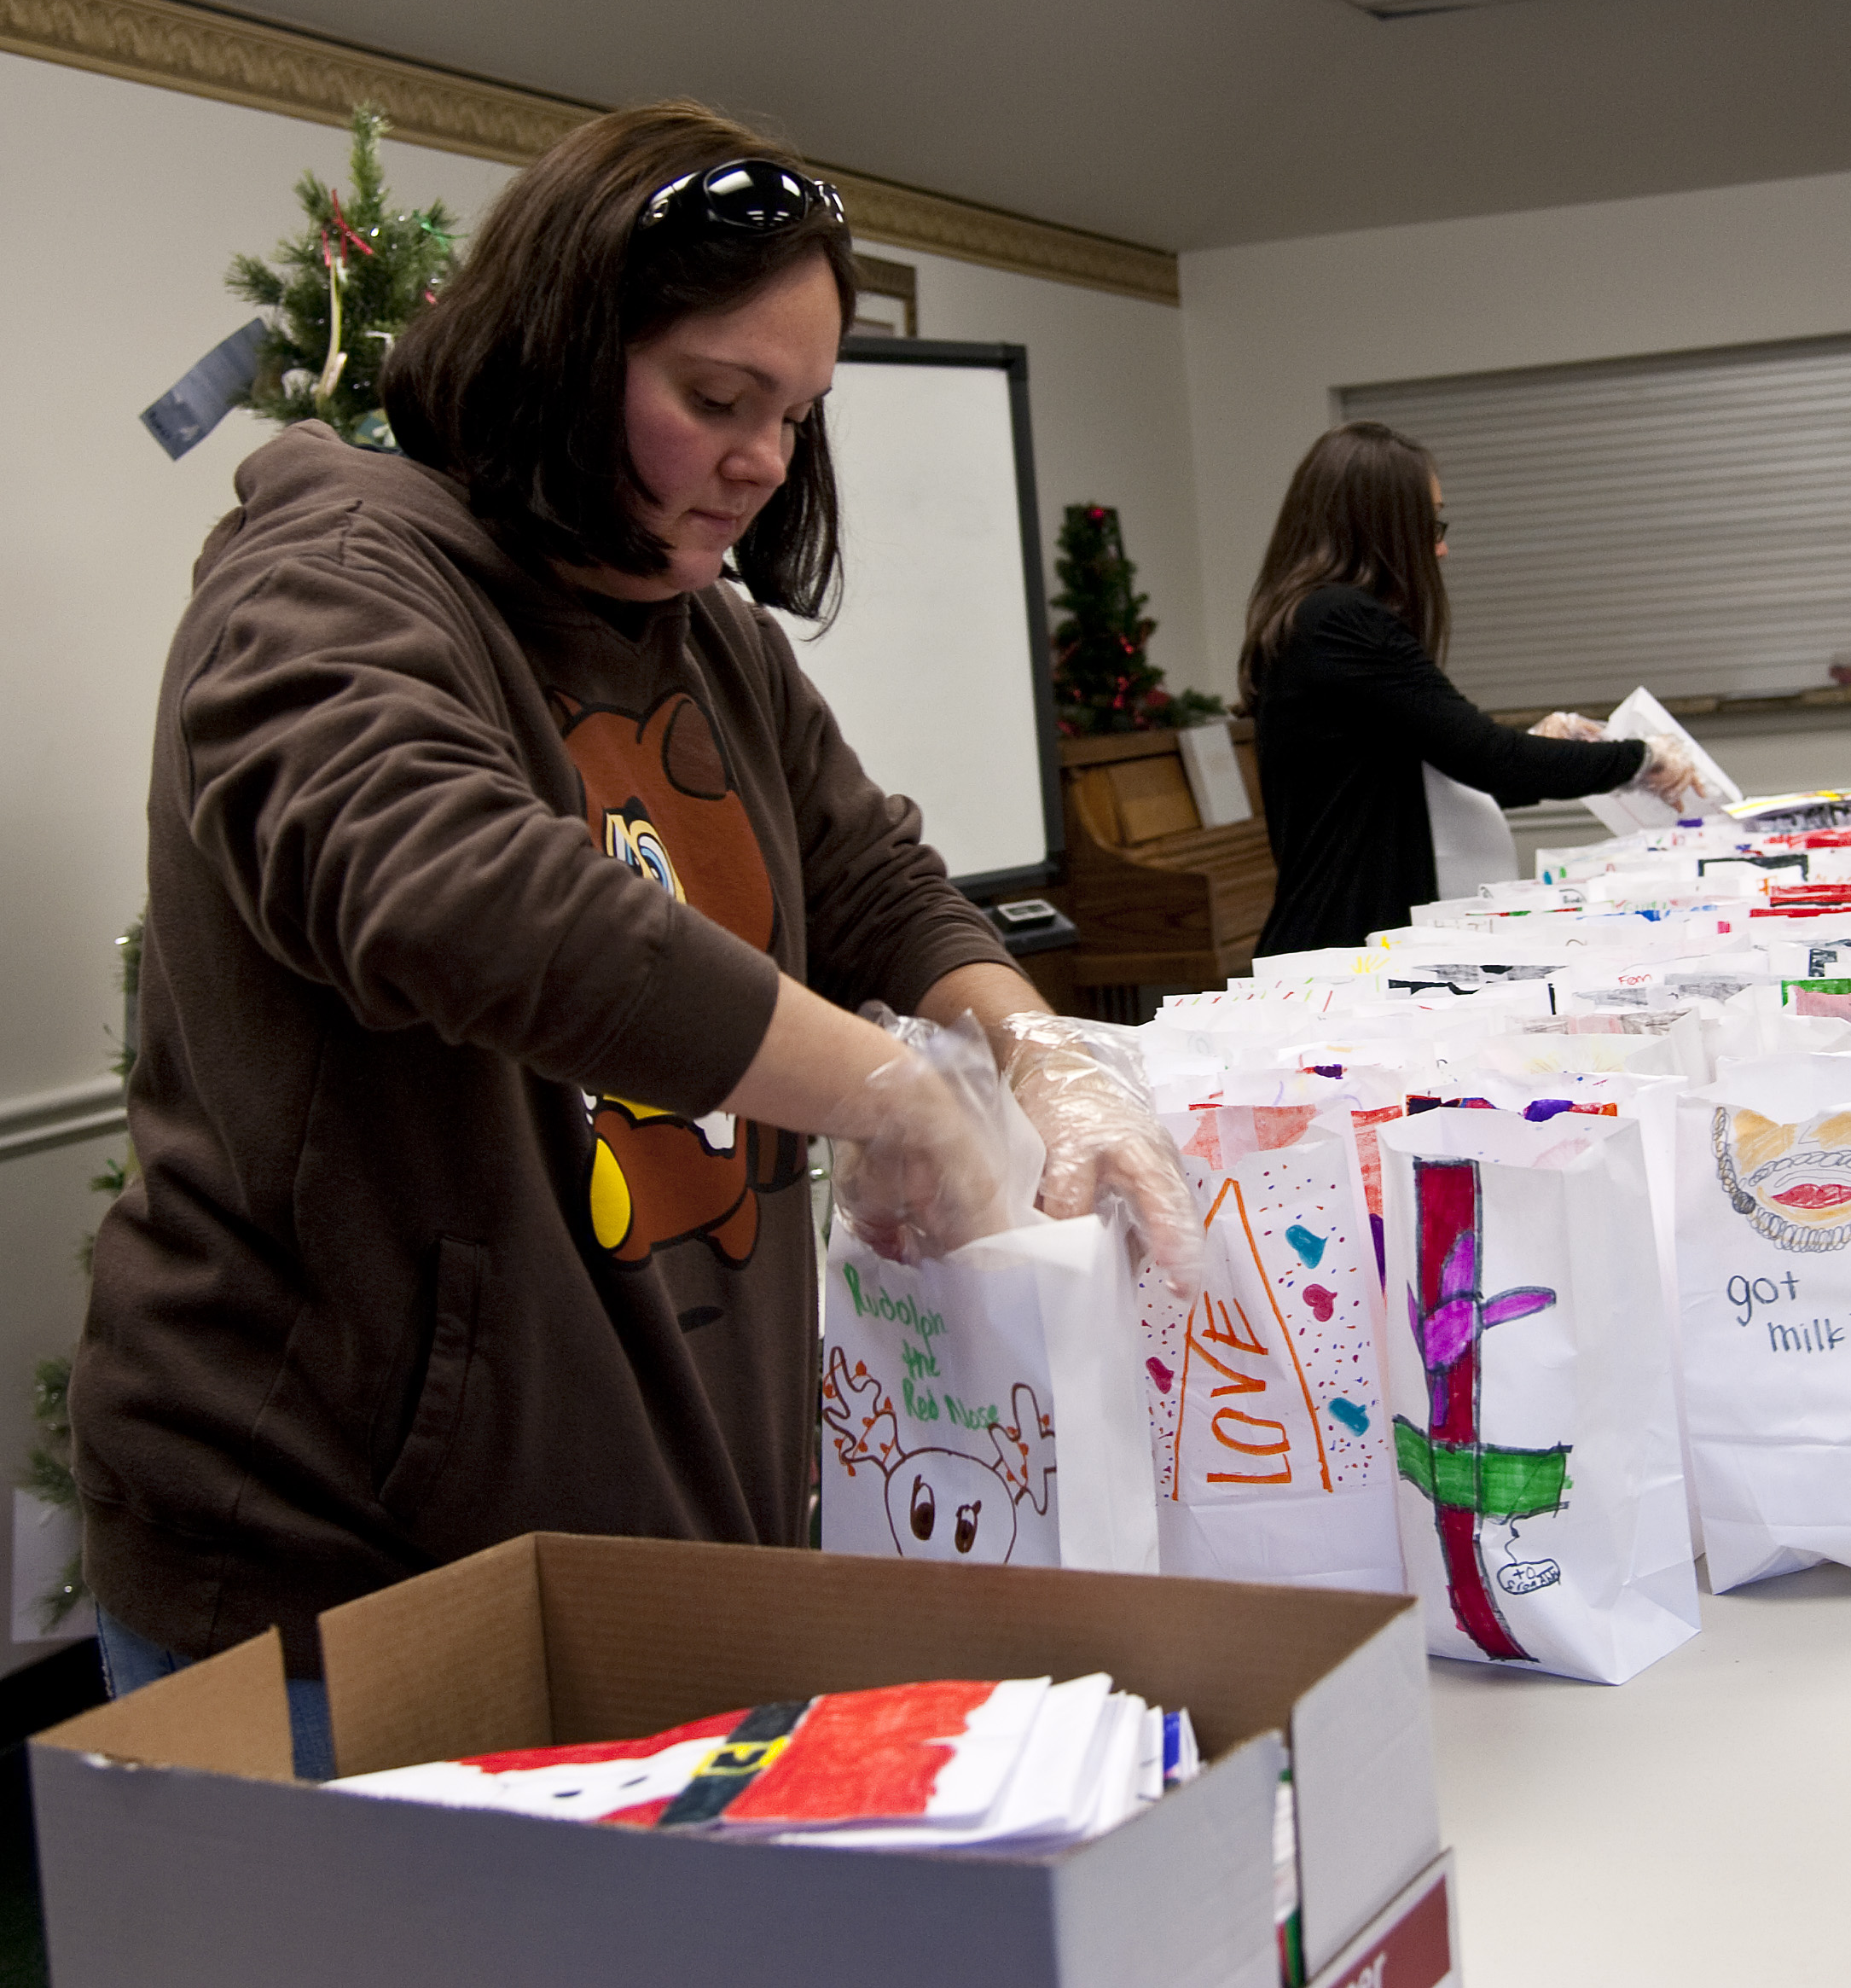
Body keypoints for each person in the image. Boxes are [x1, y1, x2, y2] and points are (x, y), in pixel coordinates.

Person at [73, 102, 1199, 1779]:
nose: (762, 460)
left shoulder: (711, 644)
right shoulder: (329, 580)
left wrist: (1029, 1048)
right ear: (555, 354)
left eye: (795, 416)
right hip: (349, 1579)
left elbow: (881, 881)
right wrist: (891, 1095)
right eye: (713, 400)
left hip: (650, 1548)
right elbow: (460, 893)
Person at [1241, 421, 1710, 956]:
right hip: (1347, 942)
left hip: (1347, 935)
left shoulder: (1314, 619)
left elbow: (1427, 774)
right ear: (1382, 526)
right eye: (1431, 524)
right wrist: (1642, 758)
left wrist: (1554, 748)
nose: (1440, 549)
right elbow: (1486, 757)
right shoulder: (1341, 621)